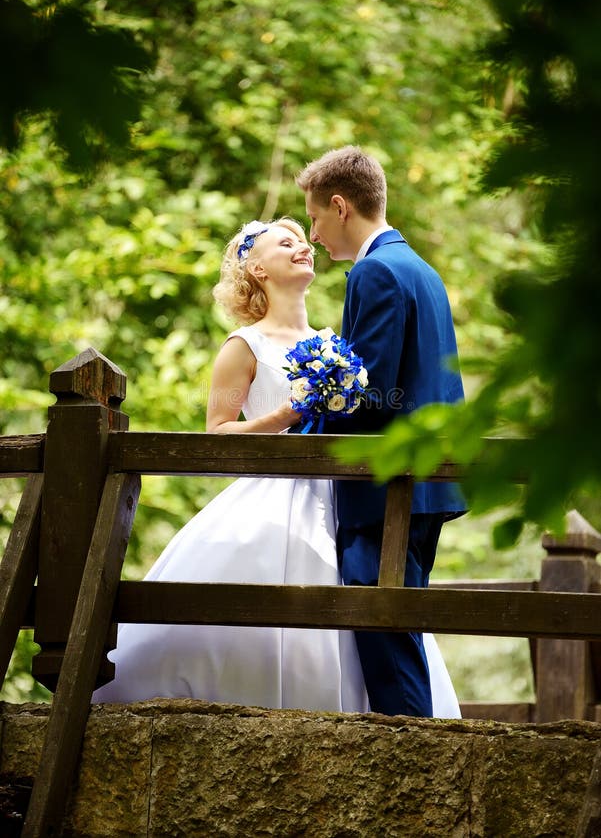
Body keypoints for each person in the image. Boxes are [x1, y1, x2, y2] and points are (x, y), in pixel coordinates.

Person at [92, 216, 460, 717]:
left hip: (343, 496)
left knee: (372, 604)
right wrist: (285, 416)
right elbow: (217, 432)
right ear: (256, 268)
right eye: (285, 243)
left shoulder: (334, 343)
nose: (304, 247)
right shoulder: (243, 346)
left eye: (304, 240)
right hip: (270, 497)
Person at [296, 146, 466, 717]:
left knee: (384, 635)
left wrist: (308, 420)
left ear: (340, 207)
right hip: (426, 484)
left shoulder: (375, 271)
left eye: (315, 219)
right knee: (401, 632)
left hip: (388, 489)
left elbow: (369, 397)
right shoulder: (420, 269)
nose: (314, 235)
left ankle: (416, 766)